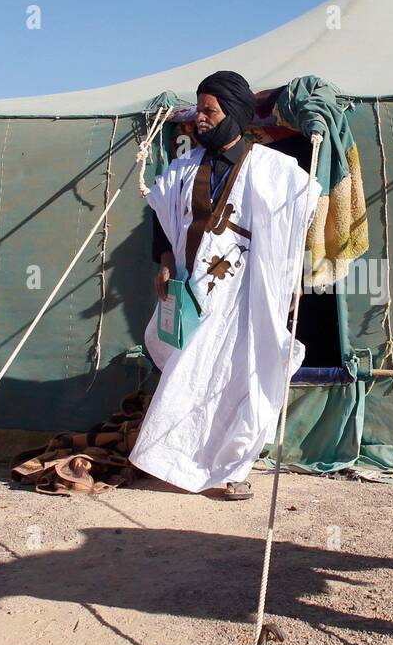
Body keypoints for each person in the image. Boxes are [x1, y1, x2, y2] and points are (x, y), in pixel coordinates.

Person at [129, 70, 317, 500]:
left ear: (232, 114)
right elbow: (160, 214)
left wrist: (292, 277)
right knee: (189, 375)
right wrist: (164, 263)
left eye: (209, 111)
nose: (200, 119)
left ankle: (233, 467)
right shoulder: (183, 168)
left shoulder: (274, 170)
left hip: (247, 294)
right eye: (198, 111)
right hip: (195, 292)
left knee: (242, 377)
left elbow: (298, 221)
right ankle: (177, 458)